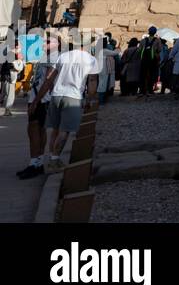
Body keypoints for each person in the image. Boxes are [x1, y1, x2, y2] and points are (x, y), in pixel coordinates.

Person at [30, 29, 99, 173]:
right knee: (65, 131)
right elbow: (92, 82)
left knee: (55, 129)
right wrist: (89, 100)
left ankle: (52, 160)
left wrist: (37, 99)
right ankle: (54, 160)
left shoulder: (63, 56)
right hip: (72, 97)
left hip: (56, 95)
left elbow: (49, 80)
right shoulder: (91, 60)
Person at [16, 36, 55, 180]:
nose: (45, 43)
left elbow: (48, 81)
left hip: (41, 100)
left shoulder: (53, 58)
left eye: (49, 42)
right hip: (37, 98)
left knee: (34, 130)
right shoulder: (44, 57)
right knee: (38, 130)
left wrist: (35, 101)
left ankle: (35, 163)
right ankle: (37, 162)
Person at [138, 26, 162, 95]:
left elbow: (139, 50)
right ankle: (150, 90)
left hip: (144, 60)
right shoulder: (157, 40)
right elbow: (159, 50)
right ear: (155, 32)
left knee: (143, 75)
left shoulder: (143, 40)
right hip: (153, 60)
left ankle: (142, 90)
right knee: (152, 75)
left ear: (148, 31)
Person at [96, 34, 118, 106]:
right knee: (103, 85)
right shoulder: (104, 51)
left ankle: (101, 100)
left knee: (101, 84)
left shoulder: (99, 50)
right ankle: (101, 101)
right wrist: (117, 48)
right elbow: (115, 53)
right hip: (104, 70)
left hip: (100, 69)